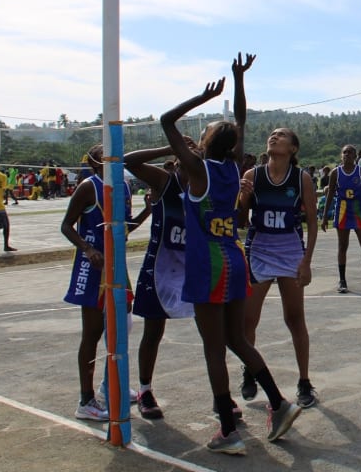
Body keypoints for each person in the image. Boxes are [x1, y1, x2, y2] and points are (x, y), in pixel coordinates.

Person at [160, 53, 301, 453]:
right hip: (235, 258)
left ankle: (227, 430)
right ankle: (278, 401)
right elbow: (242, 122)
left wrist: (201, 99)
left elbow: (166, 122)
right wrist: (239, 81)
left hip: (208, 262)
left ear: (205, 142)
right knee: (237, 339)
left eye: (204, 132)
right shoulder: (233, 165)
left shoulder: (198, 169)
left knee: (214, 348)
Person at [60, 144, 146, 423]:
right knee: (93, 333)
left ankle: (110, 383)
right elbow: (66, 225)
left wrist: (148, 211)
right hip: (94, 266)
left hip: (117, 264)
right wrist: (87, 248)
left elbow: (125, 228)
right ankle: (85, 400)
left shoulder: (124, 186)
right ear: (97, 162)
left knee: (123, 325)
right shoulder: (89, 187)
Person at [241, 127, 320, 409]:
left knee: (295, 319)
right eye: (272, 134)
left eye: (282, 135)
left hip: (289, 251)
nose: (274, 137)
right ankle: (249, 370)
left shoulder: (302, 179)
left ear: (293, 149)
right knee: (248, 322)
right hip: (259, 250)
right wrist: (243, 197)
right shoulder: (252, 176)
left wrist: (307, 261)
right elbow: (240, 218)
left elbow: (312, 222)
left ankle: (304, 381)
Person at [123, 143, 196, 420]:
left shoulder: (205, 185)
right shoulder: (166, 182)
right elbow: (128, 160)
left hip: (194, 268)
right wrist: (169, 146)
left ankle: (221, 396)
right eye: (186, 158)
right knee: (153, 332)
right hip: (162, 268)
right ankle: (145, 390)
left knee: (214, 331)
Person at [322, 144, 361, 294]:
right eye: (344, 152)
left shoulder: (360, 171)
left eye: (350, 152)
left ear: (355, 156)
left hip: (358, 211)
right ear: (341, 156)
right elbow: (330, 195)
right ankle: (342, 280)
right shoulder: (335, 173)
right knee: (342, 247)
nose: (347, 155)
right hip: (342, 211)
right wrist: (324, 217)